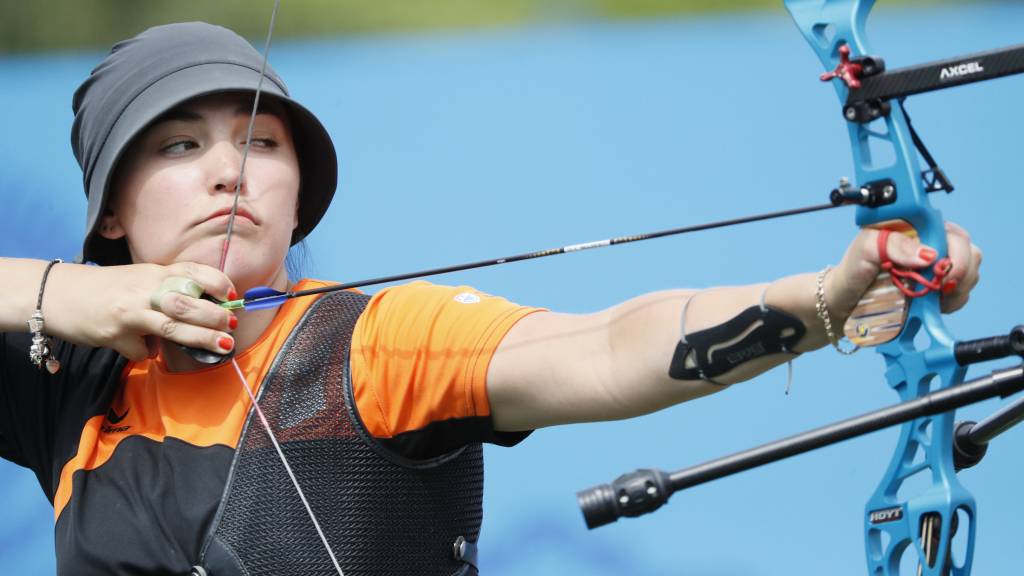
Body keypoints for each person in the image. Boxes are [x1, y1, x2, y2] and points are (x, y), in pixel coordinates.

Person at [0, 21, 981, 576]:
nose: (228, 172)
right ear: (113, 214)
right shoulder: (73, 381)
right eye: (179, 147)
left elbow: (608, 348)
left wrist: (827, 294)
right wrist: (64, 299)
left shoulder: (364, 348)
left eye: (259, 143)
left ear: (298, 200)